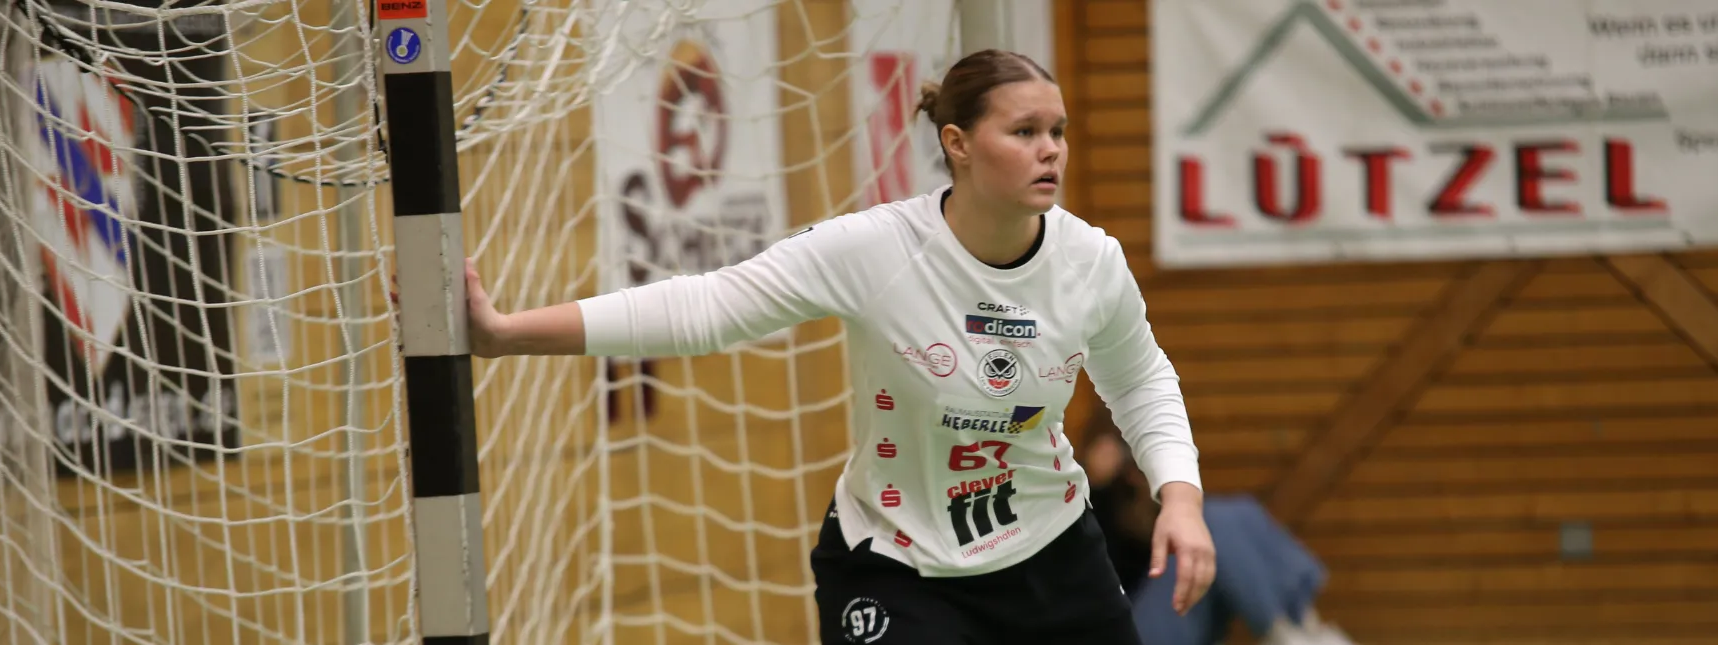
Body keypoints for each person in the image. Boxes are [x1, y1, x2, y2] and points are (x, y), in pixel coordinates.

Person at [460, 48, 1214, 644]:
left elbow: (1141, 379)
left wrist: (1179, 495)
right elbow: (707, 306)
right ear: (957, 143)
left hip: (1051, 555)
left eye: (1058, 131)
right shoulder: (877, 250)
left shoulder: (1091, 261)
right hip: (896, 562)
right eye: (1023, 132)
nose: (1050, 150)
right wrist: (504, 333)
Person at [1082, 412, 1356, 645]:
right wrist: (1096, 484)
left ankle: (1303, 625)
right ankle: (1279, 630)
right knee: (1212, 521)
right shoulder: (1096, 503)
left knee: (1239, 513)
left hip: (1169, 621)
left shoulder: (1161, 504)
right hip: (1125, 632)